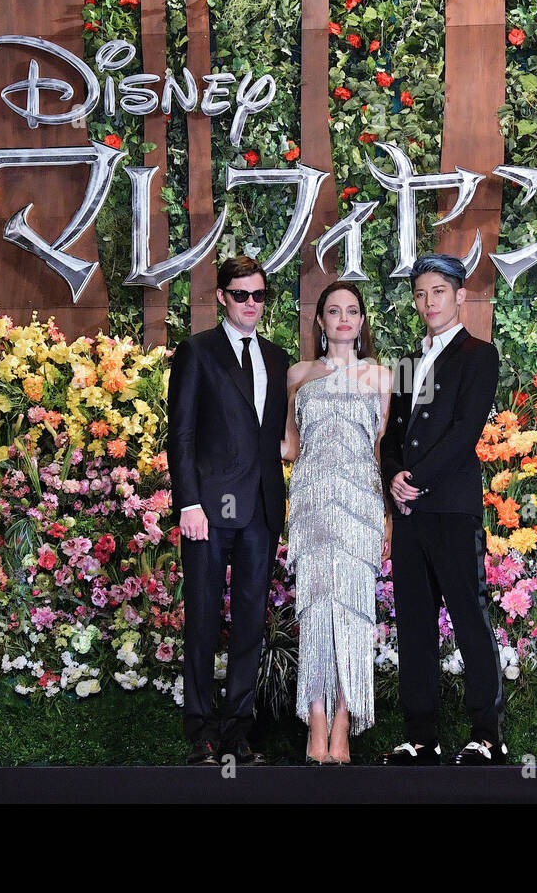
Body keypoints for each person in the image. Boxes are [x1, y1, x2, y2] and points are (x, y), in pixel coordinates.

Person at [379, 253, 507, 765]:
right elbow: (393, 434)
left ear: (460, 296)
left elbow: (465, 431)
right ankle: (422, 737)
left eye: (438, 291)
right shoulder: (410, 363)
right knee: (414, 623)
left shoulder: (478, 354)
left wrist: (418, 481)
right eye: (420, 293)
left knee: (469, 617)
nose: (428, 302)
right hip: (410, 514)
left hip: (451, 508)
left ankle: (488, 736)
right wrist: (393, 477)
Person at [166, 256, 290, 765]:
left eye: (259, 295)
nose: (251, 304)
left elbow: (277, 437)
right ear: (222, 297)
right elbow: (182, 433)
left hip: (261, 509)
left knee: (249, 626)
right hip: (209, 510)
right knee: (200, 620)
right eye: (241, 295)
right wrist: (189, 501)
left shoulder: (278, 357)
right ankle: (202, 732)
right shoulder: (197, 351)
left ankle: (238, 730)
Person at [282, 281, 393, 764]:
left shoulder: (381, 376)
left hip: (361, 508)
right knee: (314, 613)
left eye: (352, 311)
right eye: (334, 311)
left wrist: (388, 515)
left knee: (352, 615)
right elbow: (289, 447)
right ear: (321, 321)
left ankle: (344, 722)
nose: (344, 319)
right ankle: (317, 721)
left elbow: (381, 450)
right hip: (309, 506)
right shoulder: (299, 374)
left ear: (362, 321)